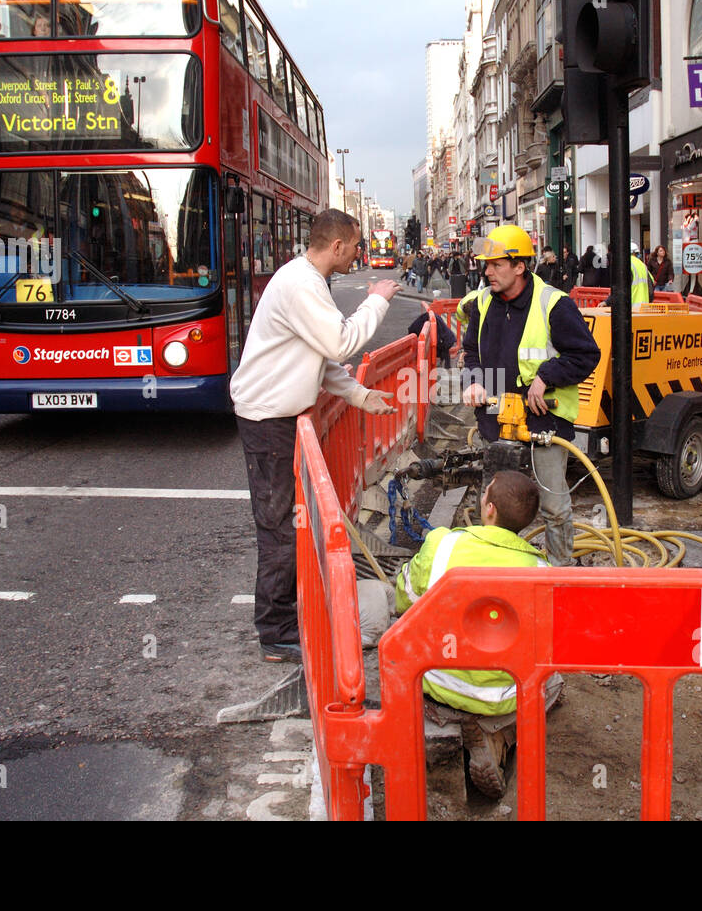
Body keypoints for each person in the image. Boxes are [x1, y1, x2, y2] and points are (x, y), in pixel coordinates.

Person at [230, 209, 400, 663]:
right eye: (356, 246)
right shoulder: (301, 283)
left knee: (287, 523)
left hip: (277, 415)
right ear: (338, 245)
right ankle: (276, 632)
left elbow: (320, 359)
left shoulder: (306, 282)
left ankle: (284, 619)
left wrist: (361, 396)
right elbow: (341, 344)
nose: (358, 254)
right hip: (268, 419)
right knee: (279, 527)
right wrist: (377, 300)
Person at [393, 470, 550, 798]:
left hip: (439, 684)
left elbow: (404, 600)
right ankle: (500, 734)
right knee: (555, 682)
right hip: (507, 696)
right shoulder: (540, 571)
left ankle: (486, 733)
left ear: (490, 509)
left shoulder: (444, 544)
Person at [457, 224, 600, 566]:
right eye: (485, 265)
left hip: (543, 423)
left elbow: (585, 355)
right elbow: (471, 352)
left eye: (495, 265)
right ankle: (503, 570)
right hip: (497, 423)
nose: (487, 271)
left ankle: (560, 571)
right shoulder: (482, 304)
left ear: (520, 266)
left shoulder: (554, 304)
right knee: (496, 506)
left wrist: (545, 377)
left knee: (553, 506)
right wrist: (474, 381)